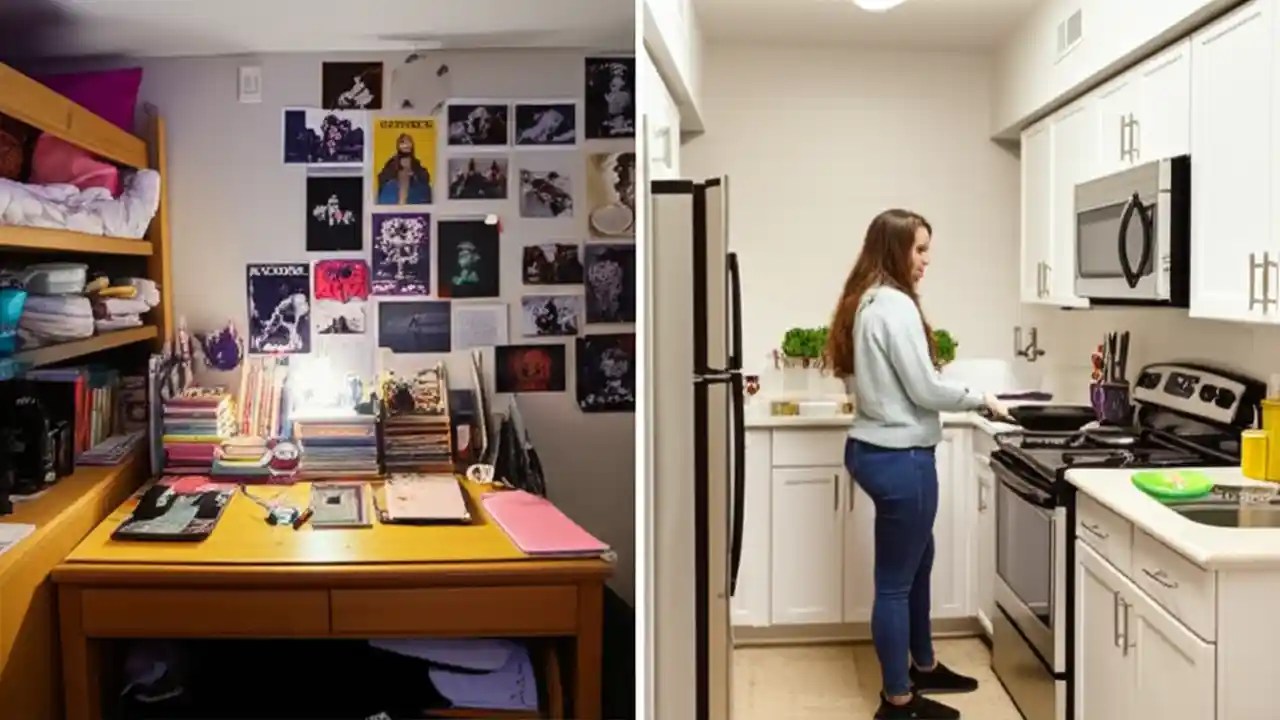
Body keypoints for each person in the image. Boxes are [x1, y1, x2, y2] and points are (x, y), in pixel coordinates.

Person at [824, 209, 1010, 720]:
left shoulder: (866, 300)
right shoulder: (897, 307)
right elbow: (925, 388)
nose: (927, 260)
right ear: (894, 249)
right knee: (894, 582)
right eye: (920, 249)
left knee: (918, 558)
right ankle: (898, 699)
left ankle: (923, 664)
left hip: (873, 450)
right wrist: (981, 398)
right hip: (901, 457)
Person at [376, 134, 432, 205]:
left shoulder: (416, 164)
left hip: (413, 201)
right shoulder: (391, 164)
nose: (406, 145)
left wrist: (414, 174)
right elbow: (382, 178)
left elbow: (425, 178)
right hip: (393, 201)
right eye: (403, 142)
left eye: (408, 142)